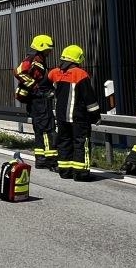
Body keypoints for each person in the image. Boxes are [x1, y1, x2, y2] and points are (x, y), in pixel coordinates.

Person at [48, 45, 102, 181]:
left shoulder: (55, 72)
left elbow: (44, 87)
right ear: (78, 58)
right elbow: (89, 99)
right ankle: (81, 173)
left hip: (61, 117)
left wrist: (51, 94)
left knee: (64, 143)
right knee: (81, 143)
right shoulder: (80, 74)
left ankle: (65, 171)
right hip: (79, 117)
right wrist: (96, 116)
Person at [13, 34, 58, 170]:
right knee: (48, 130)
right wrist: (35, 86)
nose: (50, 51)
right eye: (48, 49)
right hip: (39, 101)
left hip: (37, 101)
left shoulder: (39, 59)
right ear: (42, 48)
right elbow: (18, 72)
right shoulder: (32, 59)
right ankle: (51, 161)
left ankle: (41, 159)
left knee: (39, 130)